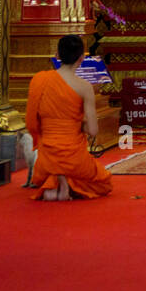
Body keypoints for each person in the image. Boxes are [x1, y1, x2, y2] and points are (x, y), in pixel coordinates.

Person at [26, 36, 113, 201]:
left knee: (52, 165)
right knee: (104, 183)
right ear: (81, 58)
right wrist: (77, 123)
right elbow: (93, 131)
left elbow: (31, 122)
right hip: (74, 158)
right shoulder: (85, 87)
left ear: (57, 54)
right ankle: (64, 180)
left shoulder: (39, 79)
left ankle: (56, 180)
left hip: (47, 155)